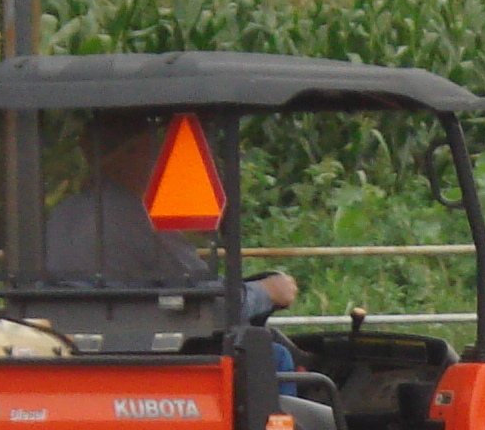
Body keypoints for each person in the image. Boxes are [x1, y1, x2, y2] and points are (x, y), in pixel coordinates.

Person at [39, 116, 301, 354]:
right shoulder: (134, 219)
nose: (159, 158)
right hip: (141, 351)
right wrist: (267, 291)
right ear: (130, 153)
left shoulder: (65, 213)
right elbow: (204, 298)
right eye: (154, 147)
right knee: (276, 357)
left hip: (83, 344)